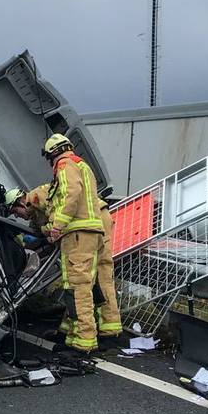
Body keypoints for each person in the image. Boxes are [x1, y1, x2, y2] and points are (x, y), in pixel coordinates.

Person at [40, 133, 121, 353]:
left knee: (78, 287)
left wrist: (56, 226)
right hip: (93, 231)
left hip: (78, 234)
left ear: (53, 153)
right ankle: (99, 332)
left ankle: (83, 341)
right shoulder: (82, 165)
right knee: (95, 283)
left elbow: (70, 194)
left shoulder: (65, 165)